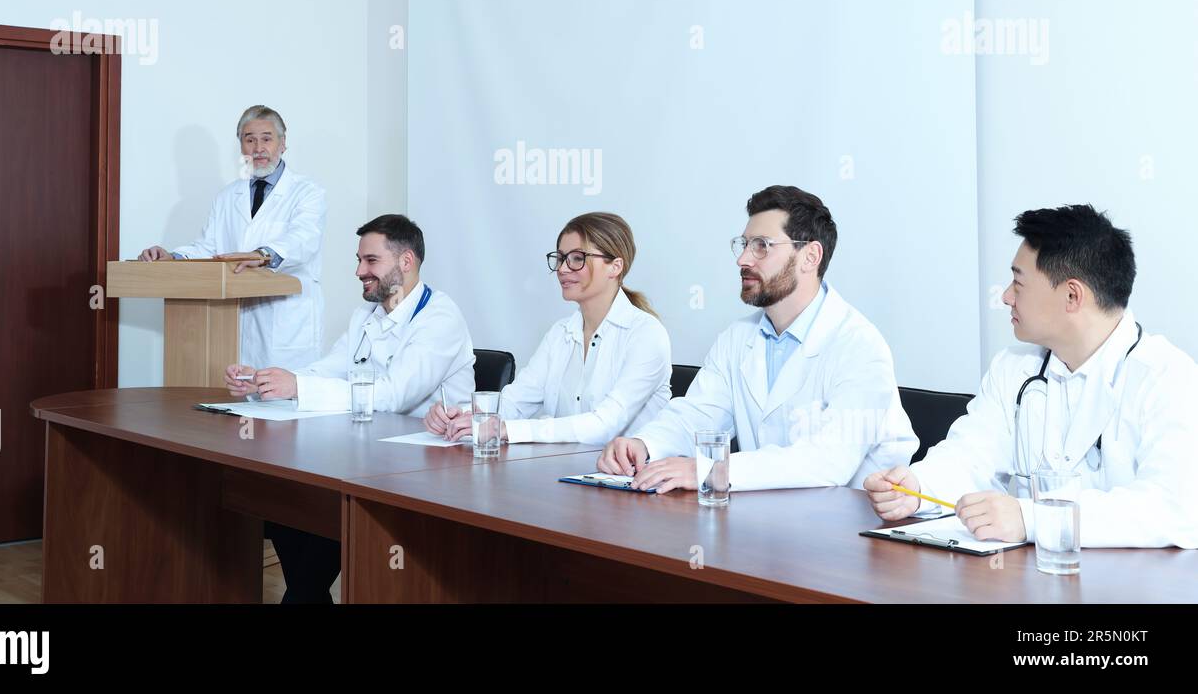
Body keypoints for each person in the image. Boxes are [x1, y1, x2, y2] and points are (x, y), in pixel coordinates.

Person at [865, 204, 1198, 548]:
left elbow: (1176, 507)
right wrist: (917, 487)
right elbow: (971, 454)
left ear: (1072, 295)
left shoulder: (1168, 377)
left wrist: (1031, 518)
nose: (1007, 296)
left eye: (1018, 283)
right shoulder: (1014, 367)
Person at [598, 185, 917, 493]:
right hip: (767, 518)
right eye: (744, 244)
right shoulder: (737, 338)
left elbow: (828, 460)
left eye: (762, 245)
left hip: (852, 529)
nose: (743, 260)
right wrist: (645, 444)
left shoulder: (859, 345)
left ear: (810, 256)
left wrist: (711, 469)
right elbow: (698, 415)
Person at [224, 214, 475, 603]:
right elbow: (327, 368)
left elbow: (396, 395)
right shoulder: (367, 315)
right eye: (359, 260)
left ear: (406, 262)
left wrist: (301, 387)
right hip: (368, 457)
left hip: (425, 469)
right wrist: (268, 380)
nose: (359, 271)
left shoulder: (440, 317)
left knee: (313, 526)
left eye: (370, 261)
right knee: (288, 508)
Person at [424, 212, 670, 444]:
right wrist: (460, 414)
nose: (563, 269)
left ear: (615, 267)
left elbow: (604, 424)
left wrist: (505, 429)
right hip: (564, 474)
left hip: (632, 482)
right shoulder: (560, 333)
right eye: (561, 258)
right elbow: (516, 402)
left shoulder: (646, 334)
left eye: (577, 258)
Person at [139, 105, 325, 372]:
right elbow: (209, 248)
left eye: (266, 138)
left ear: (283, 144)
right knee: (239, 401)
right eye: (249, 139)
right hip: (233, 324)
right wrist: (173, 257)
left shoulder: (307, 193)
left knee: (283, 406)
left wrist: (262, 255)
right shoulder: (227, 196)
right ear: (241, 147)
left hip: (287, 321)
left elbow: (304, 240)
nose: (258, 147)